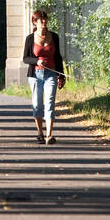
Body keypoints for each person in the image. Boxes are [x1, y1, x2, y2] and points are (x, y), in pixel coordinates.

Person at [22, 10, 65, 144]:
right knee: (37, 104)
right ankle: (40, 133)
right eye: (41, 20)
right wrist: (37, 61)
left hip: (51, 74)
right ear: (35, 22)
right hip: (35, 75)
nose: (44, 22)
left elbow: (58, 57)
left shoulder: (54, 37)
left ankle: (49, 135)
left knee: (50, 103)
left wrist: (61, 75)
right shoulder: (30, 38)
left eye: (45, 19)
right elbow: (25, 58)